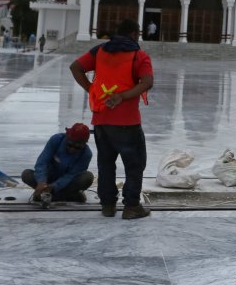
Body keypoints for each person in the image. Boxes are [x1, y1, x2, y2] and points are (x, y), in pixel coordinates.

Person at [70, 18, 154, 220]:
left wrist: (92, 90)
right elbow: (148, 82)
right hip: (127, 122)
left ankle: (108, 205)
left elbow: (75, 67)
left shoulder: (99, 51)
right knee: (134, 165)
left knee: (106, 163)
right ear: (135, 34)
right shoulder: (138, 55)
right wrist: (123, 96)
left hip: (101, 120)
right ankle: (131, 206)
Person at [22, 123, 95, 206]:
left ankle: (48, 195)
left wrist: (53, 187)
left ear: (85, 144)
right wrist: (41, 182)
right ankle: (68, 196)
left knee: (87, 177)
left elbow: (70, 175)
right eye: (70, 145)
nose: (72, 149)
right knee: (26, 174)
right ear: (67, 137)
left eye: (77, 147)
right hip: (48, 178)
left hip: (67, 184)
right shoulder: (56, 140)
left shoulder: (86, 154)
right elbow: (42, 163)